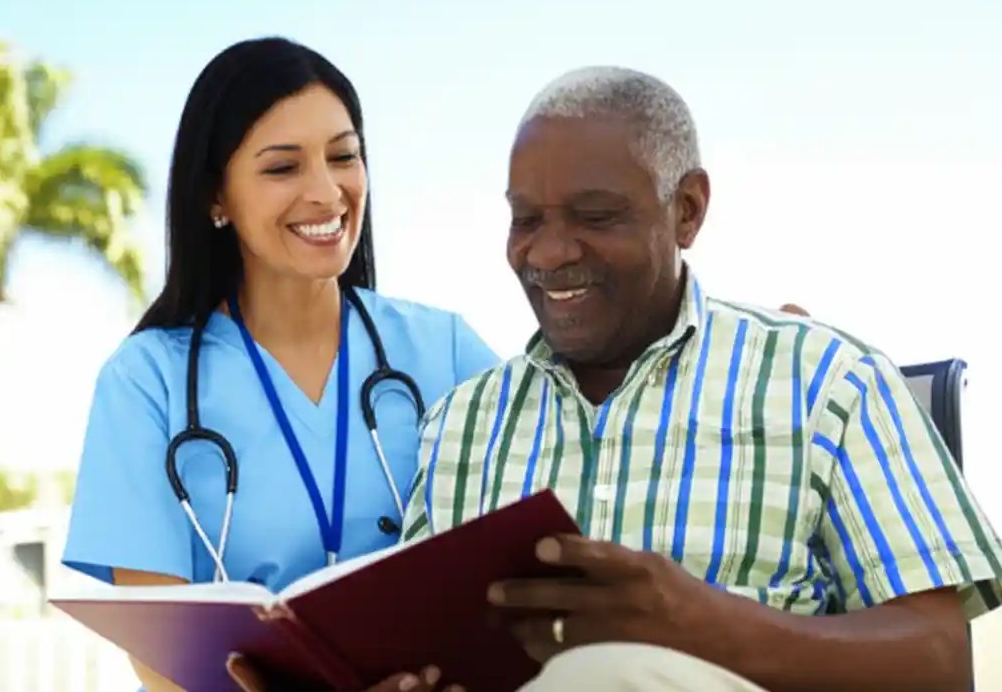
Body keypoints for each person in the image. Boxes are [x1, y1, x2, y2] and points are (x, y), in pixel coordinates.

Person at [398, 65, 1002, 691]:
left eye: (596, 216)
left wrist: (701, 624)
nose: (548, 253)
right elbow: (410, 642)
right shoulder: (460, 424)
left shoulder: (826, 383)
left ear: (687, 212)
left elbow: (940, 662)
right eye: (526, 219)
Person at [60, 37, 498, 691]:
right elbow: (164, 660)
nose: (327, 192)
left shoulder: (446, 351)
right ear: (217, 196)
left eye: (344, 156)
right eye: (282, 168)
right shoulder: (145, 384)